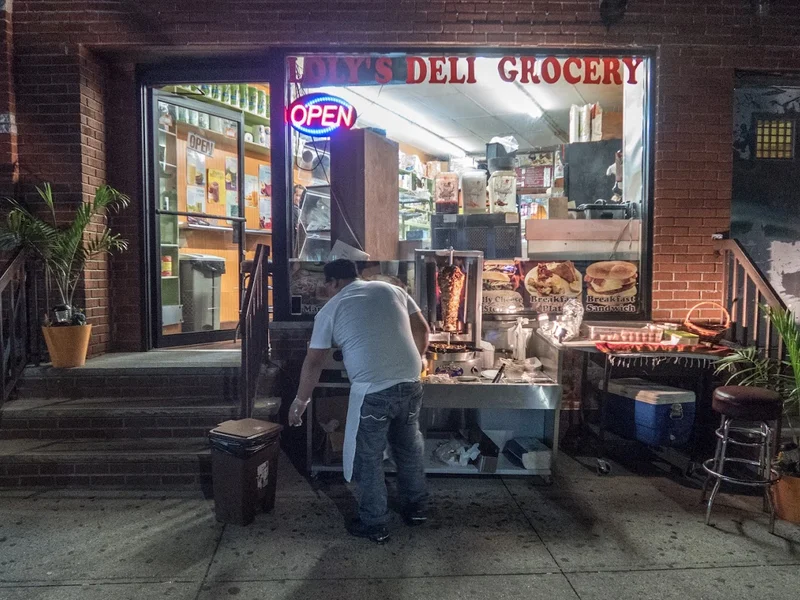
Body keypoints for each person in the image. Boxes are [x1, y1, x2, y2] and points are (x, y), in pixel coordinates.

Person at [289, 259, 430, 544]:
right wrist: (415, 359)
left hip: (374, 391)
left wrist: (300, 402)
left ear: (334, 282)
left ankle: (375, 522)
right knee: (409, 448)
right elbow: (423, 330)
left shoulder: (330, 310)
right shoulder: (390, 289)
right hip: (411, 382)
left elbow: (314, 362)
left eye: (326, 285)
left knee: (368, 458)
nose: (325, 290)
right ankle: (416, 509)